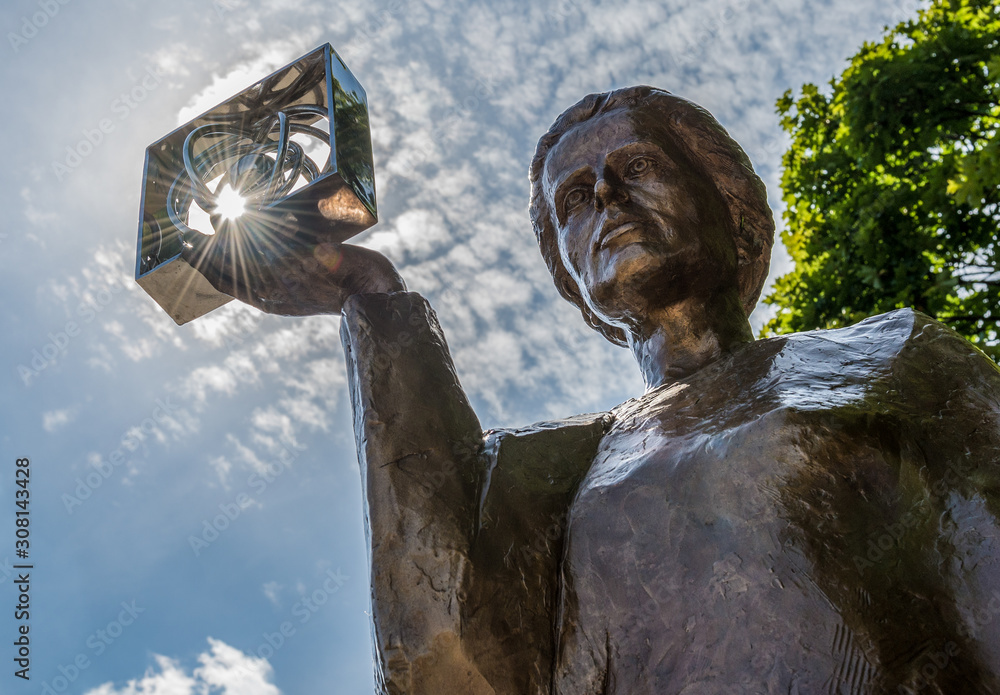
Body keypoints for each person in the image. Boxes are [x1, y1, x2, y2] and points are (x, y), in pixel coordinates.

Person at [185, 86, 1000, 694]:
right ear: (574, 281)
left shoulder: (891, 351)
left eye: (636, 166)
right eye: (575, 199)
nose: (605, 197)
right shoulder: (540, 472)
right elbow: (442, 661)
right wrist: (370, 299)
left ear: (735, 212)